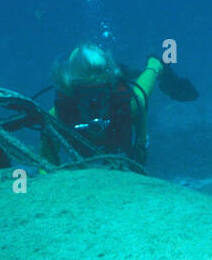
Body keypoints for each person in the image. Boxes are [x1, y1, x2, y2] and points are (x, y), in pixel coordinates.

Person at [41, 42, 197, 167]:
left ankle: (155, 62)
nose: (94, 103)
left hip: (117, 82)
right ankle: (122, 70)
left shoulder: (130, 103)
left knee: (152, 71)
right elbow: (47, 163)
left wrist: (140, 144)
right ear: (71, 92)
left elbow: (141, 101)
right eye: (86, 94)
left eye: (100, 93)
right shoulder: (56, 117)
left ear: (110, 88)